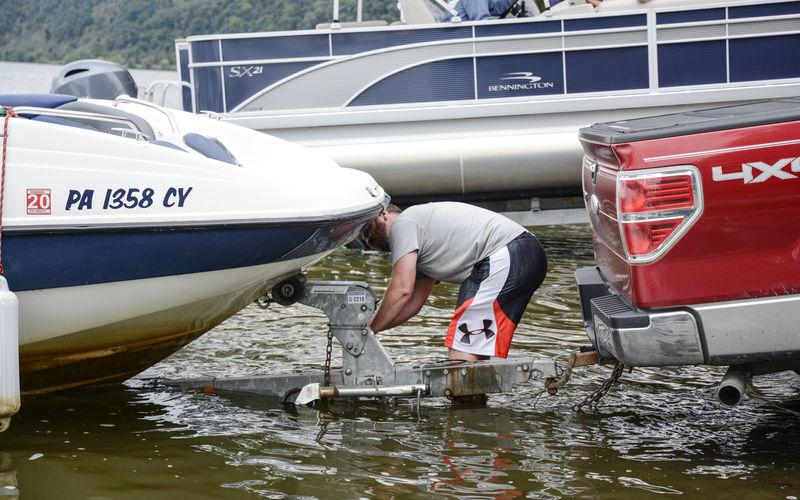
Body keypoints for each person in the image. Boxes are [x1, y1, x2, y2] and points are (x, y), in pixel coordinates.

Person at [361, 202, 547, 361]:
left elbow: (401, 290)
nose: (367, 240)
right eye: (362, 239)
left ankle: (465, 401)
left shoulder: (403, 223)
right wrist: (372, 331)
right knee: (473, 352)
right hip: (521, 254)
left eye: (367, 229)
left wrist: (365, 332)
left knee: (461, 355)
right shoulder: (421, 244)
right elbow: (412, 304)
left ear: (383, 214)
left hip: (507, 253)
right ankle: (477, 402)